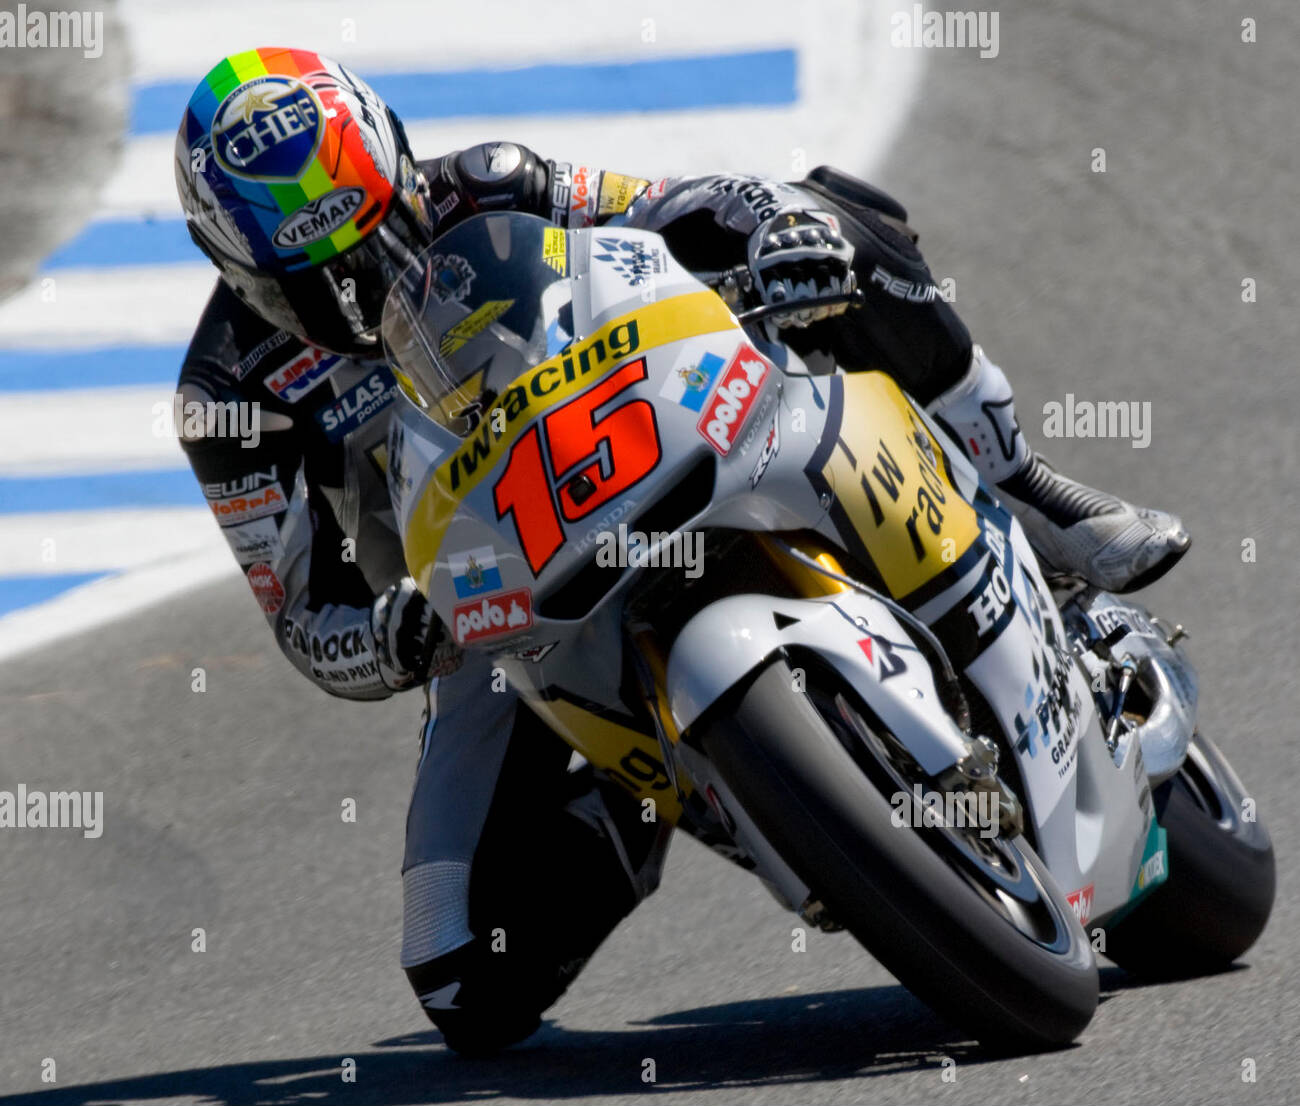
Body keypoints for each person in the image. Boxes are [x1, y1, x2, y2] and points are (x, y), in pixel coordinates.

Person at [174, 47, 1188, 1054]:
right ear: (226, 265)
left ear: (397, 164)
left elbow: (674, 203)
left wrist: (768, 225)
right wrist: (393, 637)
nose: (359, 297)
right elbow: (306, 620)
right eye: (312, 287)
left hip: (657, 427)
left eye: (380, 236)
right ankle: (653, 786)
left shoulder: (492, 184)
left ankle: (1023, 483)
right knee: (462, 974)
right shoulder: (228, 398)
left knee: (831, 212)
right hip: (488, 609)